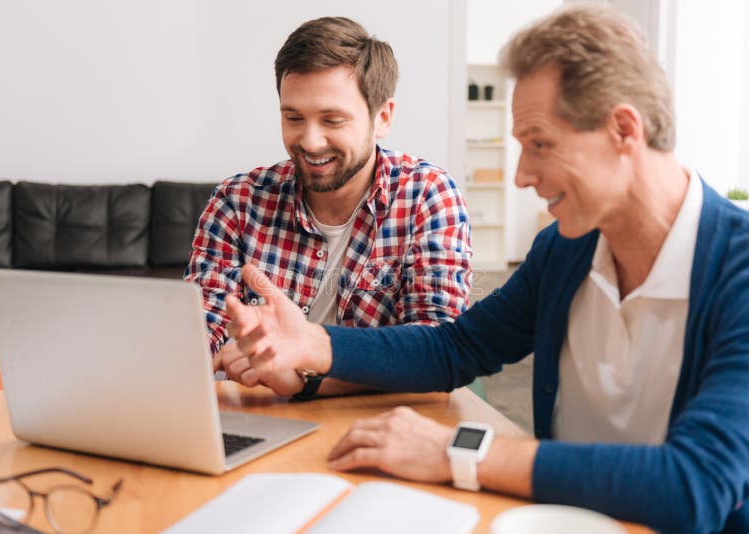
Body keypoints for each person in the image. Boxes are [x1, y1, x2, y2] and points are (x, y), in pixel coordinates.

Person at [219, 5, 749, 533]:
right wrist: (316, 343)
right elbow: (456, 348)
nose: (521, 176)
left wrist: (458, 451)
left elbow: (694, 485)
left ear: (623, 130)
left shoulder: (737, 272)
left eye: (540, 145)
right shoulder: (565, 252)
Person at [185, 17, 472, 398]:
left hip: (377, 423)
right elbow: (199, 332)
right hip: (257, 414)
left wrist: (305, 378)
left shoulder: (427, 196)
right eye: (293, 118)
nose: (310, 141)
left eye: (332, 120)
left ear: (382, 117)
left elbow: (432, 351)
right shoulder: (237, 201)